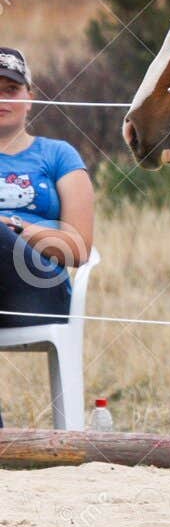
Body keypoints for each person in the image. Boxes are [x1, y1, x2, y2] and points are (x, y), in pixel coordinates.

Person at [0, 47, 94, 342]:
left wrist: (14, 229)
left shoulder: (58, 155)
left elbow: (78, 249)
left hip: (38, 292)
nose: (2, 97)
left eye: (11, 89)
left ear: (29, 98)